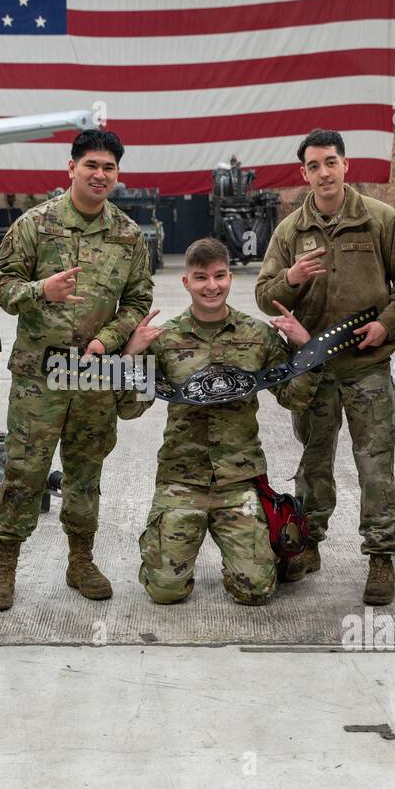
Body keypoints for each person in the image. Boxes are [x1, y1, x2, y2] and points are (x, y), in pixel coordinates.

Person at [0, 129, 153, 611]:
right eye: (91, 166)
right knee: (24, 470)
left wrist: (109, 340)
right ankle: (4, 564)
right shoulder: (34, 226)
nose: (100, 175)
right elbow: (3, 289)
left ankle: (81, 561)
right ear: (71, 168)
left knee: (86, 471)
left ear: (117, 174)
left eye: (109, 168)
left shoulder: (127, 234)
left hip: (95, 373)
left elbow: (139, 300)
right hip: (41, 374)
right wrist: (42, 292)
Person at [255, 129, 395, 605]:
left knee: (375, 462)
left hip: (365, 366)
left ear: (345, 165)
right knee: (313, 462)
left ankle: (380, 556)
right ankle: (308, 545)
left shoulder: (379, 220)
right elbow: (264, 292)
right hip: (312, 372)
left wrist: (387, 326)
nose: (323, 172)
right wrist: (290, 278)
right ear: (303, 173)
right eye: (314, 165)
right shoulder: (290, 231)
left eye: (331, 162)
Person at [120, 238, 314, 605]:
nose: (212, 285)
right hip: (182, 479)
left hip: (238, 481)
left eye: (220, 276)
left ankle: (264, 550)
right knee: (164, 592)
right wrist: (131, 355)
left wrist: (304, 350)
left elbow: (296, 398)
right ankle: (172, 552)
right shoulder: (165, 339)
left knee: (255, 592)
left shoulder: (257, 336)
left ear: (230, 278)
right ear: (186, 283)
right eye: (201, 277)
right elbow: (130, 409)